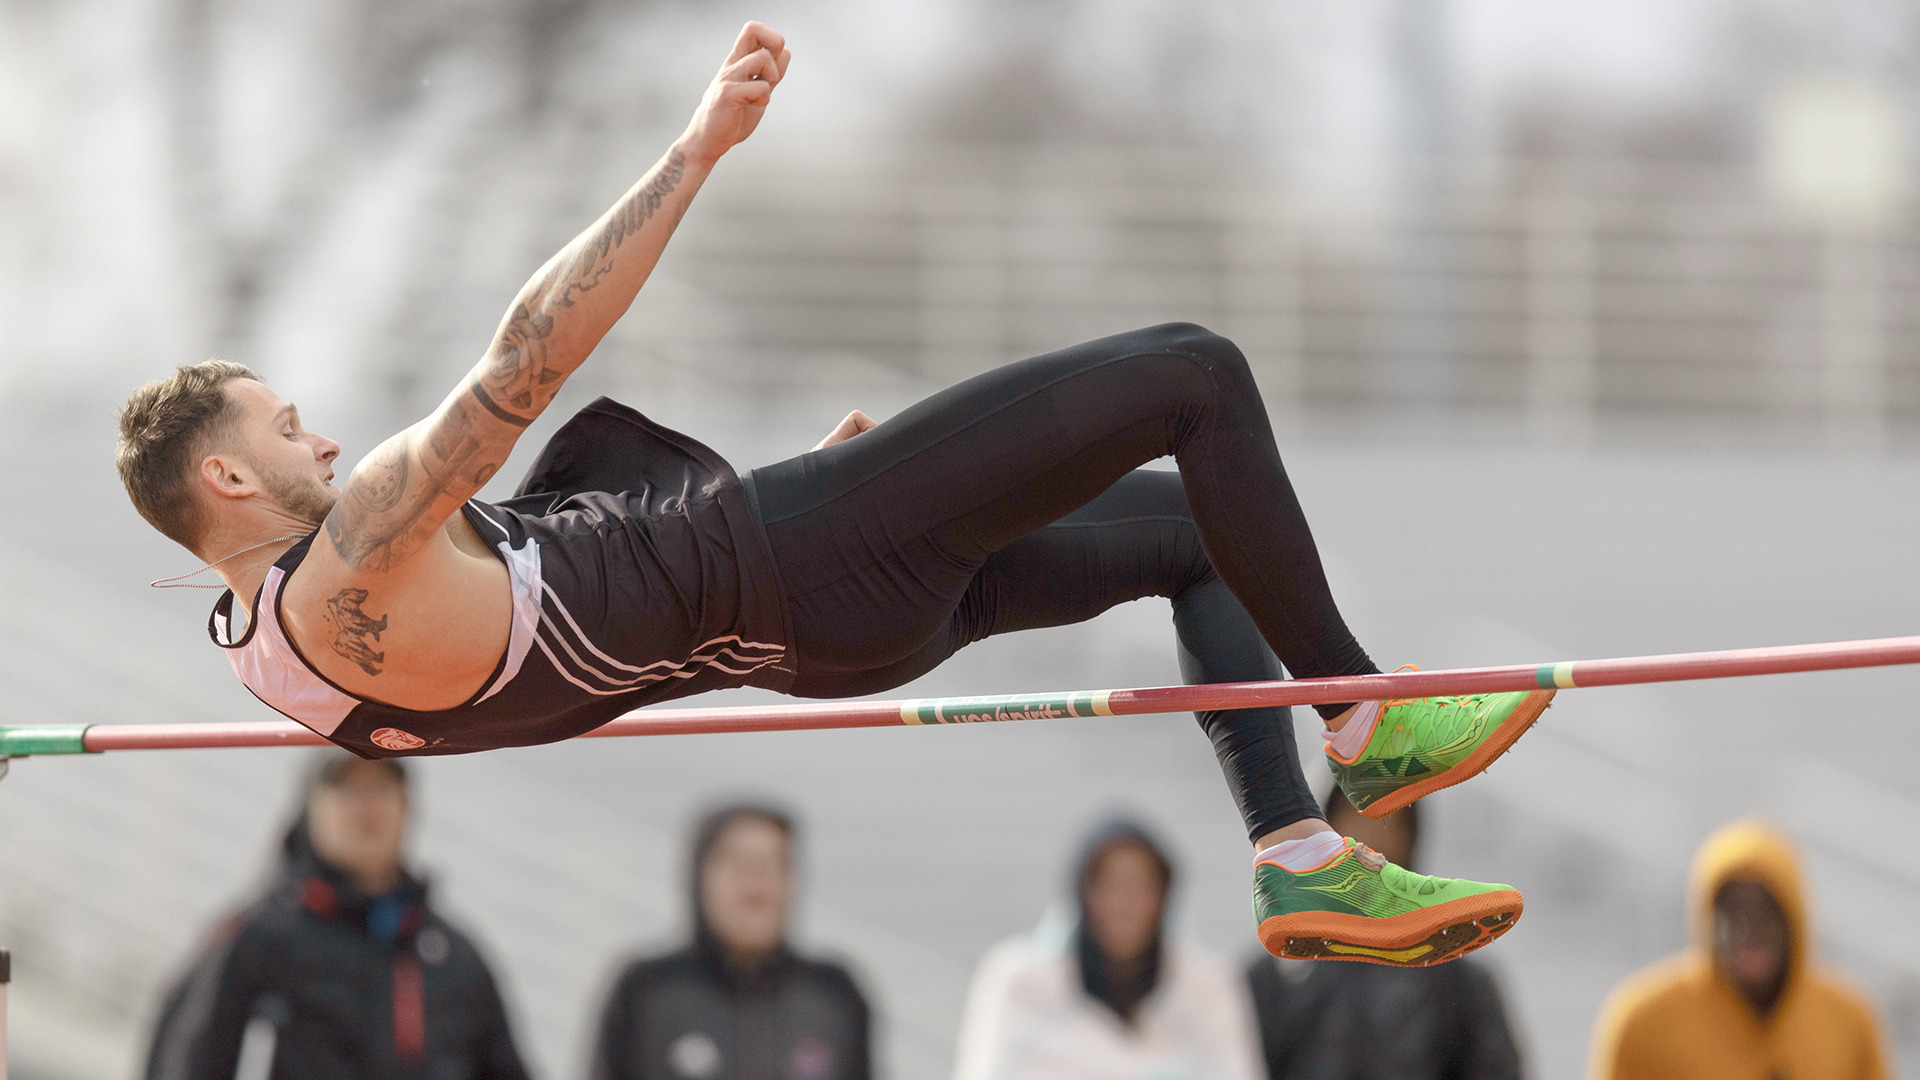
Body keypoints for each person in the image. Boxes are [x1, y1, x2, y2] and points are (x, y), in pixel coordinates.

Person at [115, 21, 1554, 963]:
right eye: (287, 426)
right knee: (1195, 373)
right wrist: (694, 156)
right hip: (795, 566)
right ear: (228, 475)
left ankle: (1298, 849)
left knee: (1202, 545)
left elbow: (564, 619)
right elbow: (522, 360)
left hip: (815, 637)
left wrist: (808, 491)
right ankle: (1360, 715)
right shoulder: (354, 553)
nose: (324, 432)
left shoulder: (296, 679)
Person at [145, 751, 530, 1080]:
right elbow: (183, 1063)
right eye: (346, 787)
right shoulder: (256, 939)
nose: (367, 806)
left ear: (407, 807)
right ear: (309, 807)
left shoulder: (455, 957)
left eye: (382, 787)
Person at [1246, 788, 1523, 1080]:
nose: (1369, 840)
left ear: (1412, 834)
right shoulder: (1272, 976)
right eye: (1353, 819)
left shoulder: (1459, 980)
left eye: (1388, 821)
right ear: (1325, 831)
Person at [952, 820, 1263, 1080]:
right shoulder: (1018, 980)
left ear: (1164, 894)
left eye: (1139, 886)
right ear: (1082, 892)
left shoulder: (1208, 985)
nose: (1123, 905)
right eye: (1108, 885)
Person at [1587, 819, 1892, 1080]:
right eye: (1731, 911)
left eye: (1766, 911)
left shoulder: (1848, 1020)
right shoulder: (1645, 1020)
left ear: (1794, 917)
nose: (1748, 929)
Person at [589, 804, 872, 1080]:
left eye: (775, 861)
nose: (757, 878)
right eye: (739, 861)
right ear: (700, 877)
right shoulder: (649, 989)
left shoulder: (832, 994)